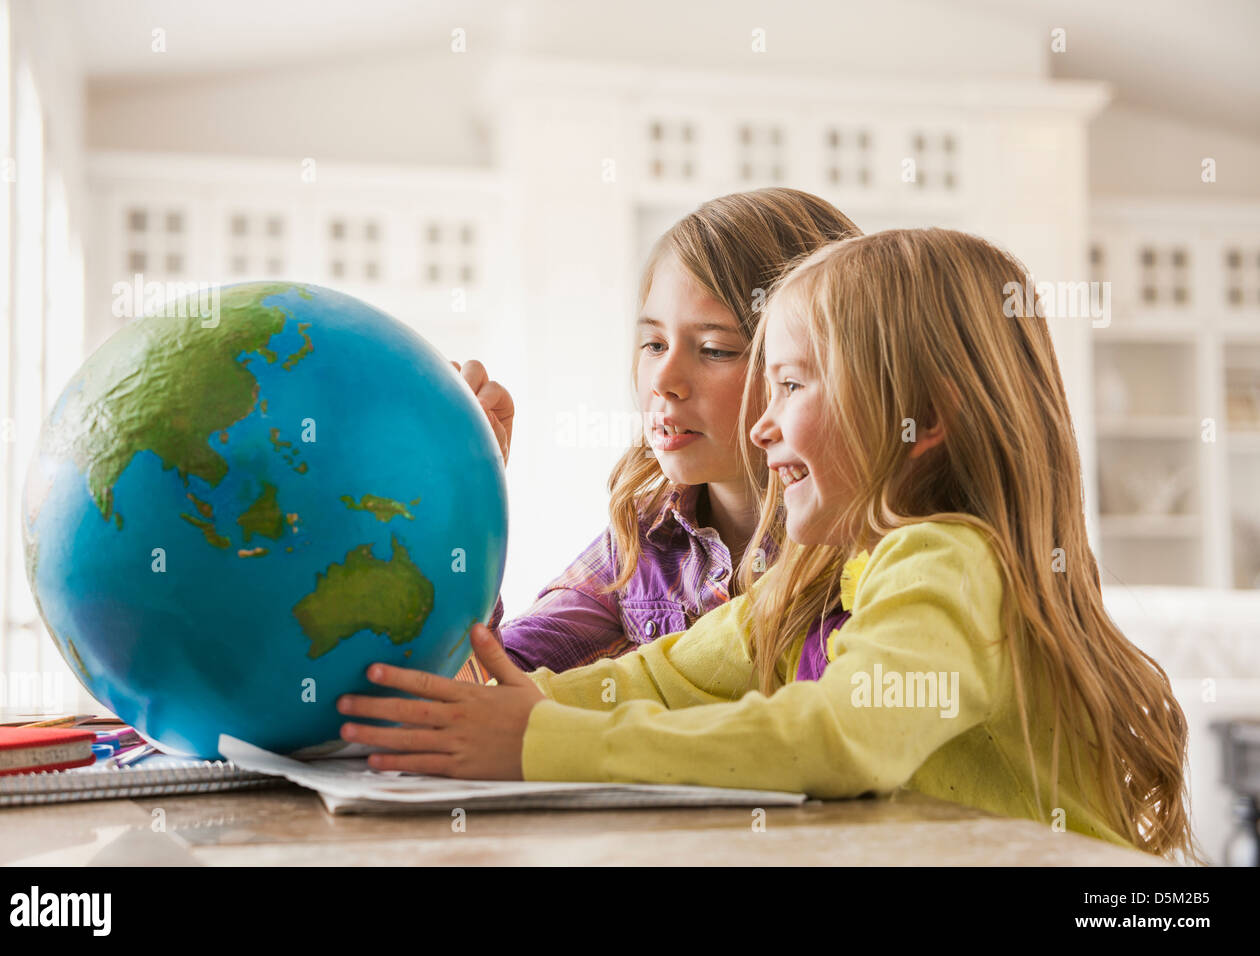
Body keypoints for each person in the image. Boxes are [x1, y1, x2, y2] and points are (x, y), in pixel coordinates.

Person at [339, 227, 1199, 861]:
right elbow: (660, 677)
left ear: (924, 419)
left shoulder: (952, 558)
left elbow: (842, 736)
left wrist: (536, 741)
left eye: (786, 384)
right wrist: (518, 710)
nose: (761, 424)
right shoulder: (823, 577)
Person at [454, 188, 861, 681]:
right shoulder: (640, 545)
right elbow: (489, 687)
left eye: (714, 349)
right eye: (654, 343)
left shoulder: (868, 544)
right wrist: (468, 494)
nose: (663, 380)